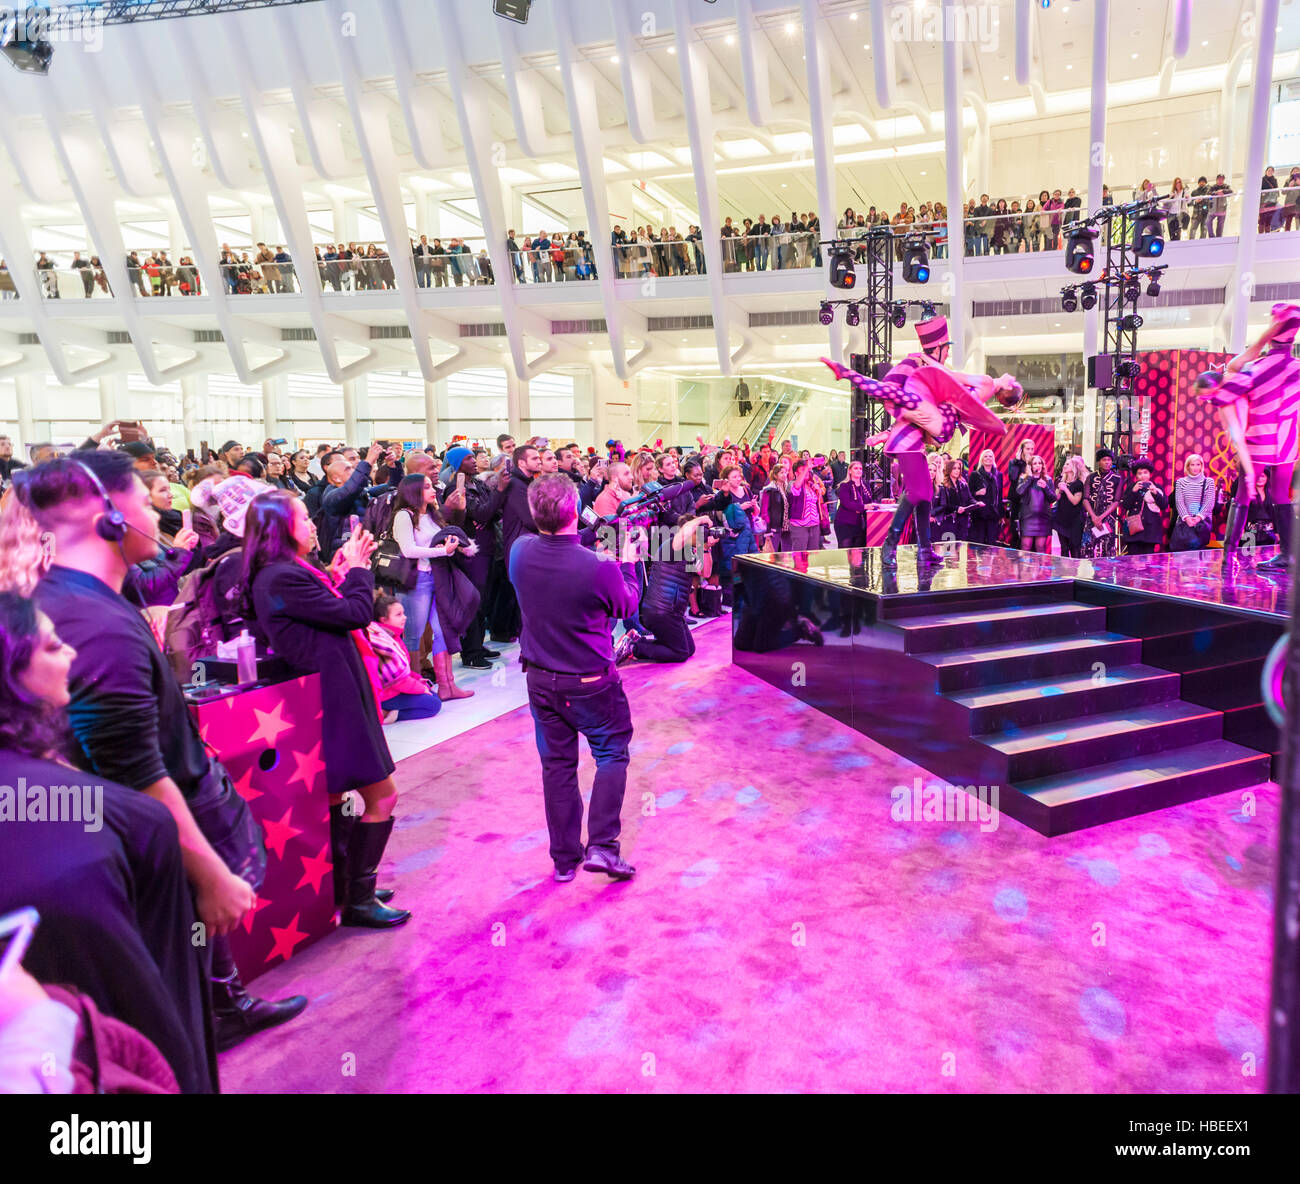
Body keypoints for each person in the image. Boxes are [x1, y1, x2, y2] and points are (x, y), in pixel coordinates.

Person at [18, 452, 307, 1053]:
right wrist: (210, 873)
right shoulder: (95, 623)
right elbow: (136, 773)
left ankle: (226, 1005)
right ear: (109, 517)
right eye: (146, 502)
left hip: (121, 851)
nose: (158, 512)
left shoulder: (74, 601)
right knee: (173, 1030)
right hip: (146, 860)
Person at [0, 592, 216, 1093]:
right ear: (13, 673)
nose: (72, 654)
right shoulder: (111, 822)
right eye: (53, 647)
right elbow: (153, 1000)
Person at [242, 490, 411, 928]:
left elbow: (330, 612)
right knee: (382, 794)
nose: (313, 524)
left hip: (330, 696)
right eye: (302, 519)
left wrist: (338, 574)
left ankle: (347, 886)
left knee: (336, 797)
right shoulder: (280, 577)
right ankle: (358, 896)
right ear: (279, 530)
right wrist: (356, 571)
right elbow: (354, 613)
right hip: (332, 702)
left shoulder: (286, 572)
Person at [509, 474, 641, 882]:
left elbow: (557, 545)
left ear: (534, 513)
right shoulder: (598, 566)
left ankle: (565, 860)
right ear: (574, 509)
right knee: (612, 753)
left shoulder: (519, 551)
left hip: (540, 681)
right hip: (590, 682)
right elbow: (627, 604)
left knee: (558, 767)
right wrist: (630, 562)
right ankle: (602, 845)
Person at [822, 315, 1022, 567]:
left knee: (925, 496)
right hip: (907, 441)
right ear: (937, 349)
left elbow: (959, 384)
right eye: (946, 349)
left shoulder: (938, 392)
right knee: (921, 491)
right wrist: (847, 374)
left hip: (913, 439)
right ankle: (891, 546)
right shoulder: (919, 376)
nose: (948, 353)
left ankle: (924, 551)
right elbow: (891, 392)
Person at [1198, 302, 1300, 571]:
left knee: (1243, 494)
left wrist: (1265, 336)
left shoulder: (1255, 369)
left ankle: (1228, 555)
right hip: (1286, 442)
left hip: (1257, 441)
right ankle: (1289, 555)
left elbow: (1227, 383)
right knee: (1281, 495)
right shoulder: (1297, 368)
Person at [387, 472, 474, 700]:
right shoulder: (404, 516)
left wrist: (456, 546)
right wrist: (441, 551)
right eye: (426, 486)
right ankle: (417, 688)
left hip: (439, 578)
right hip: (416, 580)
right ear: (413, 491)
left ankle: (447, 686)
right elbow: (408, 550)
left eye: (431, 485)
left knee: (443, 631)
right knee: (413, 636)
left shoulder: (432, 515)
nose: (432, 488)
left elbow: (441, 539)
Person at [367, 596, 442, 723]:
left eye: (403, 613)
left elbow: (403, 671)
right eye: (398, 614)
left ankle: (391, 710)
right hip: (386, 695)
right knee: (434, 705)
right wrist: (420, 688)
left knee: (432, 695)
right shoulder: (382, 643)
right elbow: (397, 681)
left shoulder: (392, 636)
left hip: (393, 690)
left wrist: (417, 679)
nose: (404, 617)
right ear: (383, 619)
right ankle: (387, 712)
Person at [1120, 459, 1167, 555]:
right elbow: (1125, 505)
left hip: (1150, 530)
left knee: (1148, 561)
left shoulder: (1157, 487)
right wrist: (1134, 491)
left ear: (1150, 474)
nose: (1143, 475)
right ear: (1136, 476)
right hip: (1134, 529)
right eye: (1139, 473)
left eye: (1145, 473)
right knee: (1133, 560)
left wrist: (1156, 493)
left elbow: (1164, 505)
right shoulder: (1131, 487)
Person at [1171, 452, 1215, 552]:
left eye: (1198, 464)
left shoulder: (1209, 482)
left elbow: (1209, 502)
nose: (1195, 467)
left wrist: (1198, 517)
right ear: (1188, 466)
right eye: (1192, 464)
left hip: (1202, 524)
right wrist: (1187, 518)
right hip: (1185, 523)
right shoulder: (1180, 482)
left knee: (1199, 554)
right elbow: (1179, 502)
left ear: (1202, 466)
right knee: (1183, 554)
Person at [1084, 448, 1124, 558]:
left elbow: (1116, 501)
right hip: (1091, 517)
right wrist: (1093, 517)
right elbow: (1085, 499)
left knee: (1108, 548)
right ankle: (1089, 572)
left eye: (1109, 460)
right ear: (1099, 461)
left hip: (1109, 518)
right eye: (1104, 460)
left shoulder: (1117, 478)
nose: (1107, 462)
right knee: (1087, 547)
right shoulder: (1091, 477)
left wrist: (1100, 517)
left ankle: (1107, 574)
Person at [1015, 454, 1058, 553]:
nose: (1037, 465)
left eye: (1039, 463)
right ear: (1030, 466)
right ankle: (1025, 569)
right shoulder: (1023, 478)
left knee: (1040, 548)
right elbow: (1019, 492)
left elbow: (1053, 499)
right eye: (1035, 463)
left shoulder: (1047, 479)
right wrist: (1030, 478)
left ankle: (1040, 569)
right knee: (1026, 547)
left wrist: (1046, 487)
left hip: (1043, 519)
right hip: (1027, 518)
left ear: (1042, 466)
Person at [1052, 455, 1088, 558]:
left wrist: (1066, 490)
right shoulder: (1061, 481)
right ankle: (1064, 572)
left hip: (1074, 521)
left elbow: (1075, 501)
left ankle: (1074, 572)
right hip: (1061, 518)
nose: (1064, 466)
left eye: (1067, 464)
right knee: (1063, 548)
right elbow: (1056, 498)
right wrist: (1060, 488)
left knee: (1074, 547)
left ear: (1074, 467)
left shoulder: (1078, 484)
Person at [967, 448, 1004, 545]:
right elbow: (968, 494)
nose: (988, 458)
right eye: (985, 456)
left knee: (992, 543)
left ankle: (990, 561)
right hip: (979, 513)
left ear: (993, 459)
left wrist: (1001, 515)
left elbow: (999, 496)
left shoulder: (998, 475)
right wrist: (977, 493)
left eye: (990, 456)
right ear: (981, 459)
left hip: (993, 514)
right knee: (979, 543)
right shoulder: (975, 474)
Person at [833, 459, 870, 548]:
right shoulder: (844, 486)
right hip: (845, 523)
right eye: (856, 468)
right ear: (850, 471)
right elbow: (847, 503)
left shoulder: (865, 485)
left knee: (858, 553)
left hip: (860, 524)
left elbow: (869, 501)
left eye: (860, 469)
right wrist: (864, 506)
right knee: (846, 552)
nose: (859, 470)